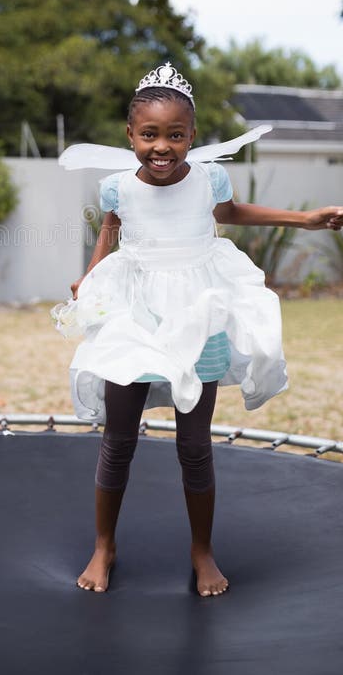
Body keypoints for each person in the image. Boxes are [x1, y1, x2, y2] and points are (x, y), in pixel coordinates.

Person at [53, 62, 343, 595]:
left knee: (194, 442)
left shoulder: (209, 178)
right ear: (130, 135)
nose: (161, 147)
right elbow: (111, 235)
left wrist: (303, 219)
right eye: (149, 135)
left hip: (199, 311)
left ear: (192, 135)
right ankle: (104, 545)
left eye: (175, 135)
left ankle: (202, 550)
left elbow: (232, 212)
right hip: (132, 313)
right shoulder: (117, 187)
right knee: (118, 439)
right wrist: (90, 276)